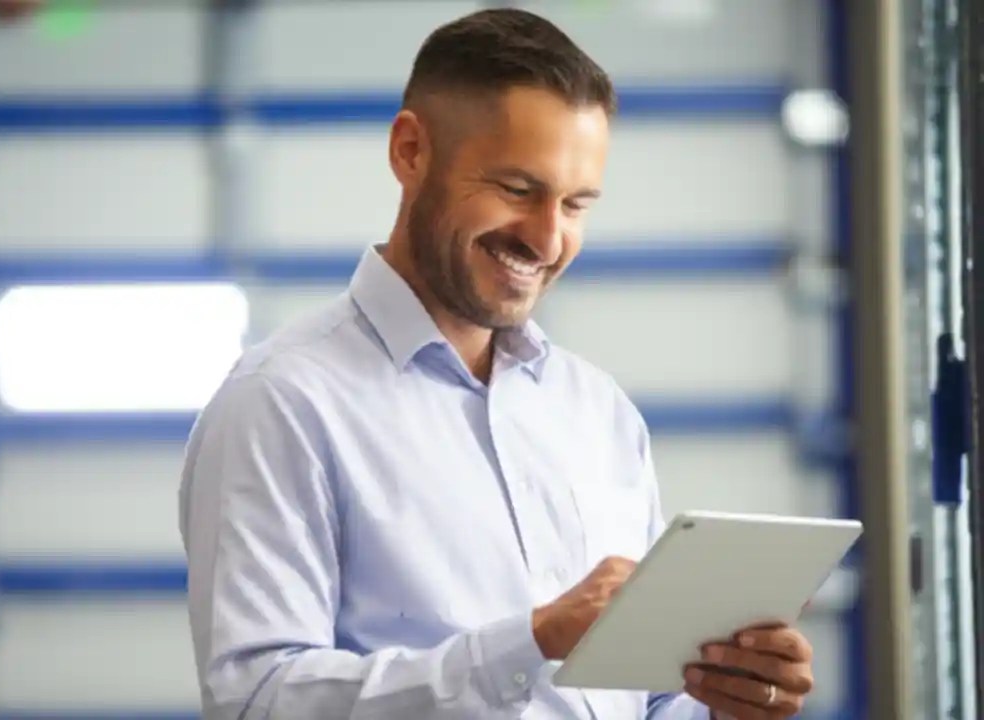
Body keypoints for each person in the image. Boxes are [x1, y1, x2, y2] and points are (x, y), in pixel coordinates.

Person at [178, 8, 816, 720]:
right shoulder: (282, 403)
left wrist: (728, 698)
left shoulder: (596, 410)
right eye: (518, 190)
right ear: (410, 151)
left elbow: (642, 701)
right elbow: (256, 700)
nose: (548, 239)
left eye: (575, 205)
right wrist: (530, 641)